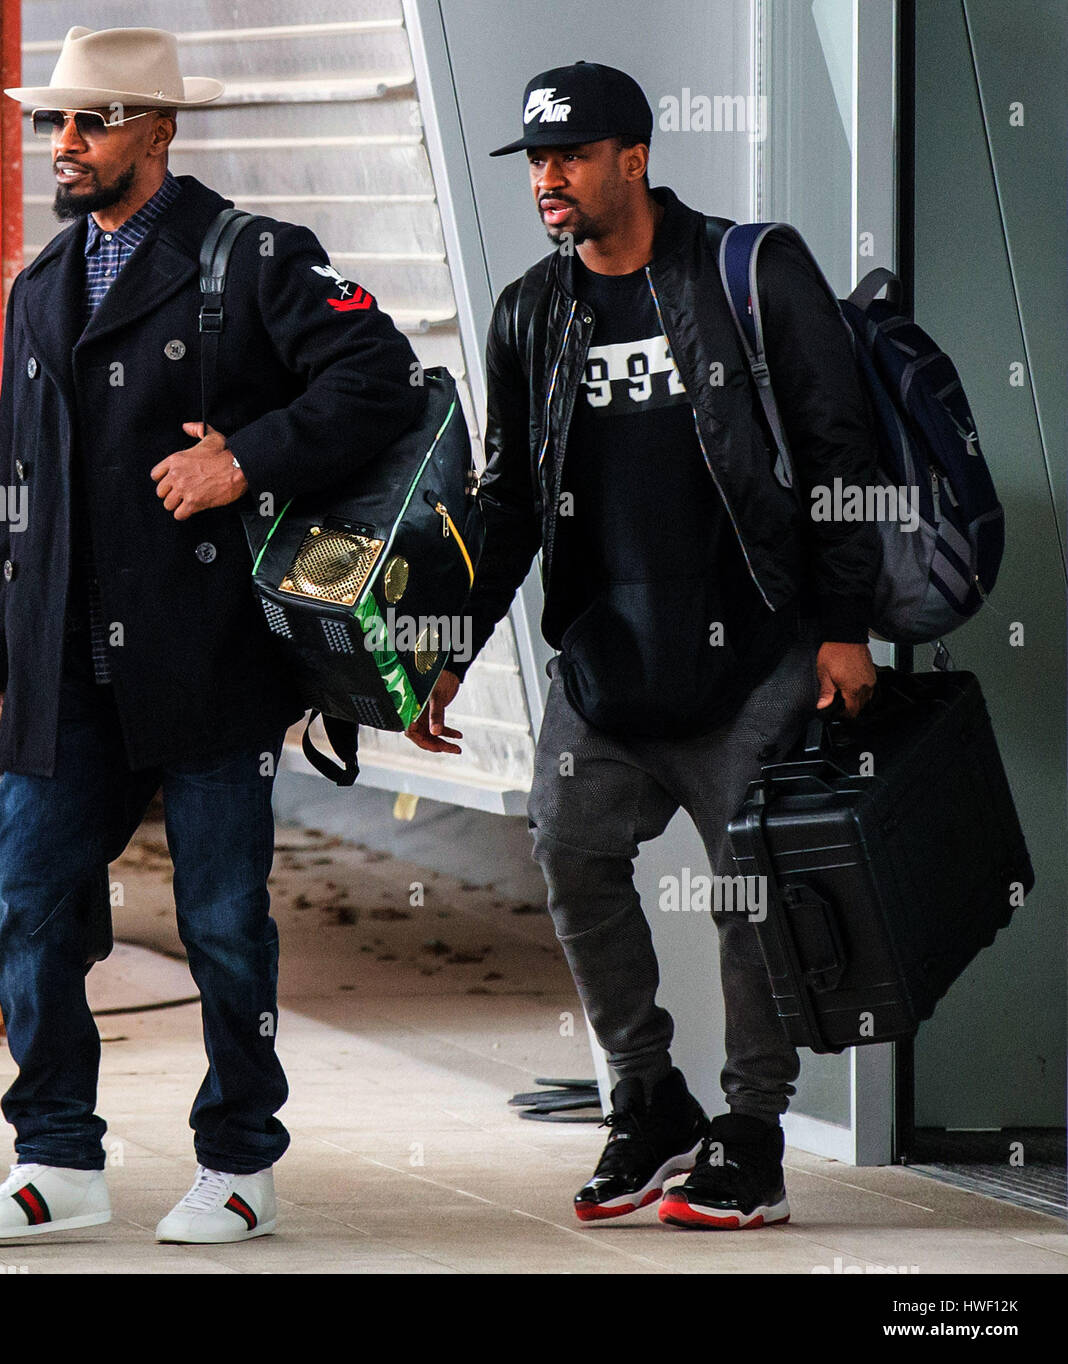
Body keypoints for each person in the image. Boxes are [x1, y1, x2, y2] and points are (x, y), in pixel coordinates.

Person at [0, 25, 423, 1245]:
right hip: (61, 667)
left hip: (207, 655)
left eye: (93, 120)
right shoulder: (40, 283)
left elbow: (380, 376)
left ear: (159, 128)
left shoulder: (251, 256)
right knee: (30, 907)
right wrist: (2, 667)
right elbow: (22, 495)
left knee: (219, 919)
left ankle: (240, 1160)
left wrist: (242, 459)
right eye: (58, 122)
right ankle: (56, 1159)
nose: (67, 143)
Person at [407, 61, 880, 1230]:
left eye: (569, 157)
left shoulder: (748, 272)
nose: (548, 180)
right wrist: (450, 645)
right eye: (534, 161)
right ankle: (648, 1097)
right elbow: (508, 501)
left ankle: (753, 1133)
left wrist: (841, 626)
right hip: (605, 664)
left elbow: (840, 454)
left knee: (749, 896)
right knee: (568, 853)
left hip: (756, 653)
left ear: (635, 157)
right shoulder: (531, 313)